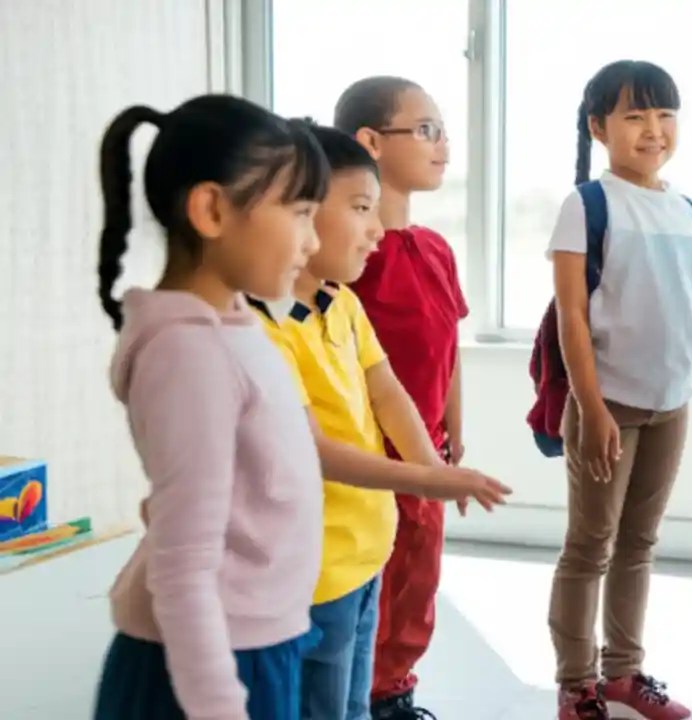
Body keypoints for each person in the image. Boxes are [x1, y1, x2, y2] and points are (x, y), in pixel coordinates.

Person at [248, 121, 510, 720]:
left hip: (366, 551)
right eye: (361, 208)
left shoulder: (340, 304)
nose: (375, 229)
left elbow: (388, 392)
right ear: (297, 213)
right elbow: (311, 448)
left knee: (356, 704)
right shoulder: (260, 328)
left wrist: (429, 465)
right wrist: (425, 480)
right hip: (313, 572)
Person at [90, 95, 329, 720]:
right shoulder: (187, 354)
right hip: (204, 666)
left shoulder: (231, 325)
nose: (313, 240)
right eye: (301, 212)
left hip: (253, 643)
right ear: (213, 209)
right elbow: (183, 566)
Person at [547, 59, 692, 720]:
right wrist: (593, 407)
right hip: (610, 405)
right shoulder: (587, 204)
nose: (652, 129)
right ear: (600, 127)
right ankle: (577, 686)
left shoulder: (689, 211)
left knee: (638, 544)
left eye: (663, 115)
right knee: (589, 545)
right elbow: (572, 314)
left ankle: (623, 674)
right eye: (634, 116)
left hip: (671, 405)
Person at [332, 76, 466, 720]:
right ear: (371, 143)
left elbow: (449, 343)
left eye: (442, 130)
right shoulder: (352, 260)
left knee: (419, 582)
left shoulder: (435, 248)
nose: (443, 144)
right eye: (426, 130)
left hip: (428, 452)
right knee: (372, 590)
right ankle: (364, 698)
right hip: (370, 464)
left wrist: (451, 430)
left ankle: (396, 692)